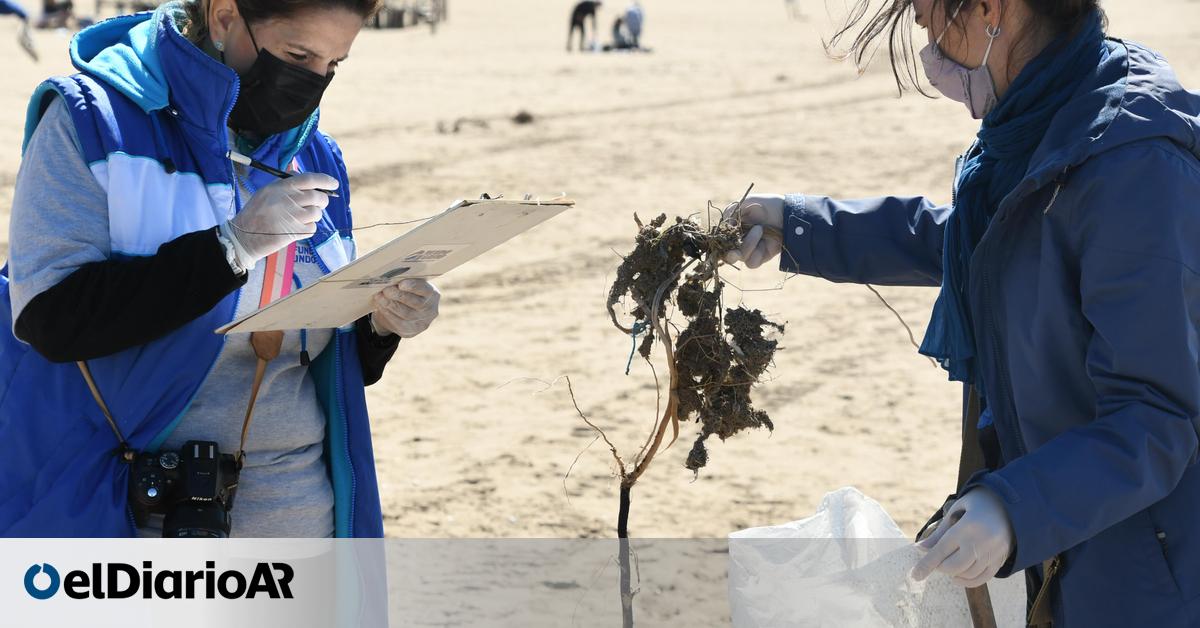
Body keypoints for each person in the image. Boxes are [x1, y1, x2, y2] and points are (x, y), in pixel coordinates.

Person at [725, 0, 1200, 624]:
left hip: (1148, 570)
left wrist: (1014, 509)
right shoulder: (1046, 114)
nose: (923, 30)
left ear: (990, 9)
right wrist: (802, 228)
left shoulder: (1133, 165)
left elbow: (1157, 415)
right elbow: (988, 243)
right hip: (1067, 540)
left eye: (925, 10)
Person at [0, 0, 442, 538]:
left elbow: (319, 362)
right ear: (225, 16)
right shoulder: (92, 122)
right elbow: (50, 318)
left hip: (304, 524)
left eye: (332, 64)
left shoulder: (315, 156)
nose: (312, 83)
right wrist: (229, 249)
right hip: (132, 520)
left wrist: (380, 329)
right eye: (297, 54)